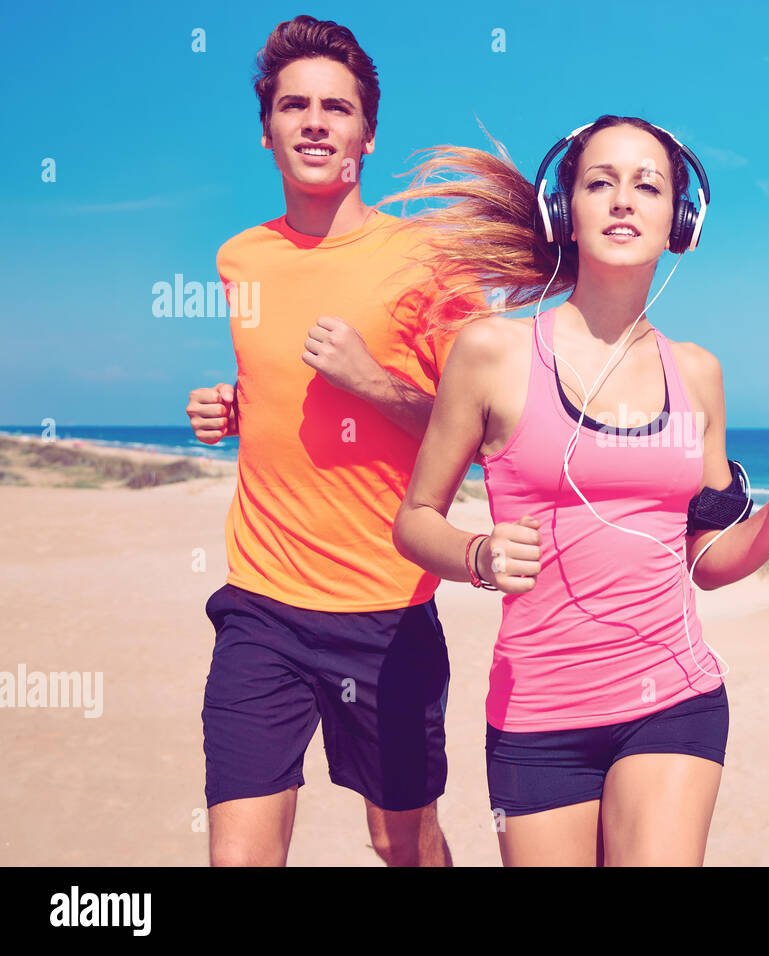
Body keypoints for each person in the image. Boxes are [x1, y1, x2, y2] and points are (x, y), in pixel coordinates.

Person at [389, 115, 769, 866]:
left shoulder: (698, 373)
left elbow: (707, 564)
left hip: (673, 697)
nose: (624, 201)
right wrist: (480, 554)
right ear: (565, 212)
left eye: (648, 186)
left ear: (678, 223)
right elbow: (413, 520)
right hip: (538, 710)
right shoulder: (492, 353)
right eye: (600, 183)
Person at [184, 15, 479, 867]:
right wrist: (236, 408)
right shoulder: (239, 260)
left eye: (336, 108)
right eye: (294, 105)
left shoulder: (428, 261)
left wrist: (371, 383)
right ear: (267, 128)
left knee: (404, 843)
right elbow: (279, 386)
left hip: (387, 609)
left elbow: (485, 429)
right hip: (261, 606)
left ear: (367, 133)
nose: (314, 122)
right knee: (237, 854)